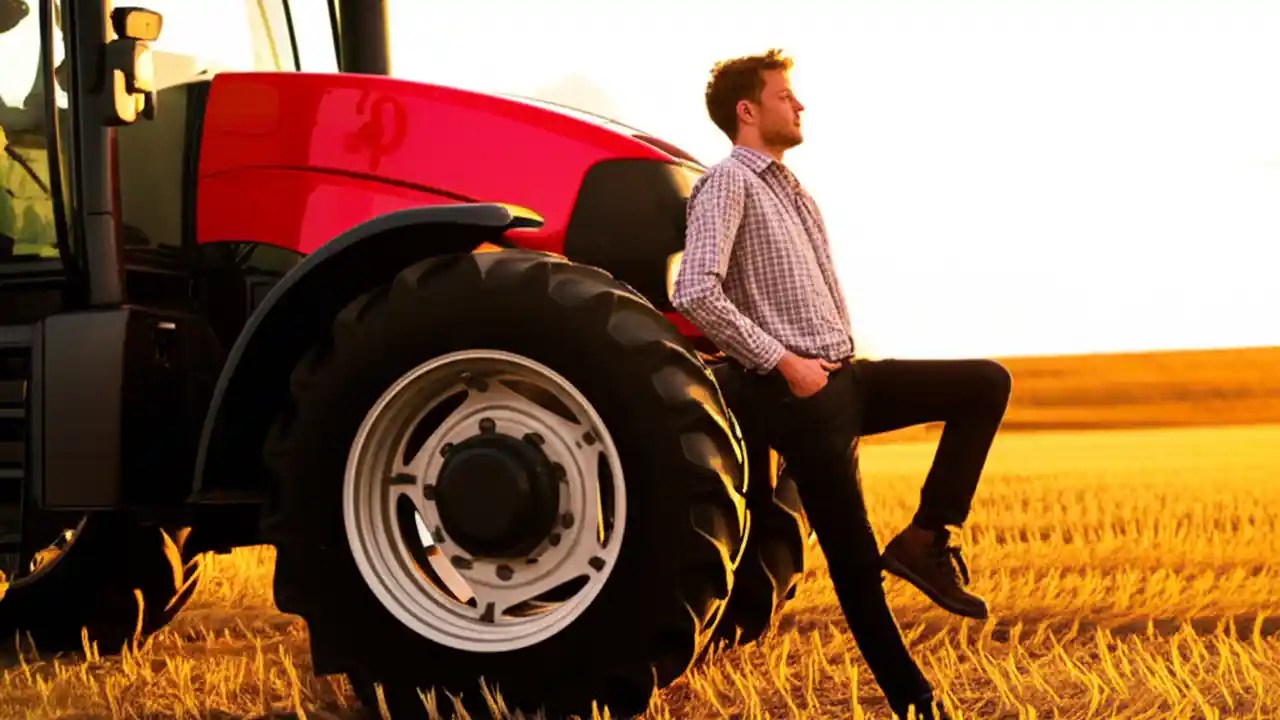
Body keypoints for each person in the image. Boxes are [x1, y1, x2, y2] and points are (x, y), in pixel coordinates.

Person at [671, 48, 1013, 720]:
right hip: (799, 392)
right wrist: (785, 365)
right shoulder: (727, 184)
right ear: (748, 110)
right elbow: (695, 290)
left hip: (845, 378)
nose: (798, 105)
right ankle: (916, 702)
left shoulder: (794, 192)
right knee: (853, 559)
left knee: (984, 384)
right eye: (784, 96)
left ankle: (926, 538)